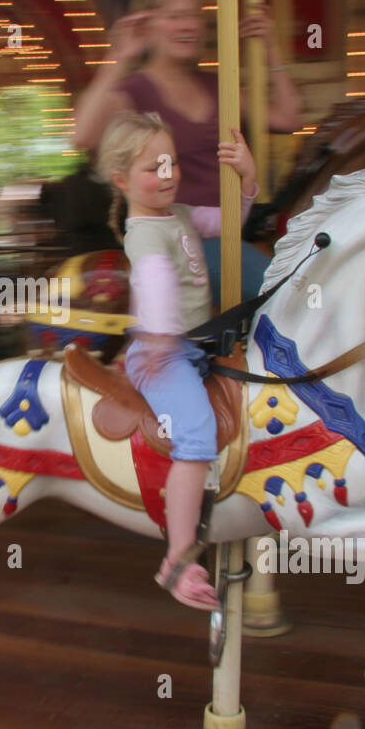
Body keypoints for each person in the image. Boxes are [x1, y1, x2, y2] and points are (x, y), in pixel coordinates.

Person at [101, 110, 258, 611]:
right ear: (122, 179)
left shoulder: (181, 214)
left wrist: (247, 175)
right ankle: (178, 559)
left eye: (170, 163)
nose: (167, 175)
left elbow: (233, 219)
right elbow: (154, 282)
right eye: (153, 168)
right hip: (161, 353)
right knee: (196, 436)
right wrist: (167, 331)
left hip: (193, 346)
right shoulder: (145, 233)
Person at [74, 0, 301, 303]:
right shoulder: (134, 91)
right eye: (175, 16)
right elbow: (82, 134)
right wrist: (120, 57)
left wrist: (271, 48)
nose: (190, 25)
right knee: (285, 295)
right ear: (149, 24)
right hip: (176, 234)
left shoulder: (219, 86)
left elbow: (289, 118)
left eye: (196, 15)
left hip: (224, 228)